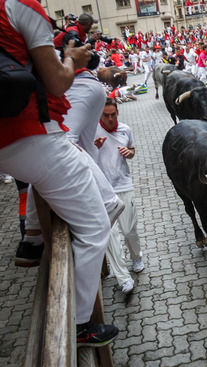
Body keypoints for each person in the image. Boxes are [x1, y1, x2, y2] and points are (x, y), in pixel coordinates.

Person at [0, 0, 117, 346]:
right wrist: (73, 60)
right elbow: (56, 83)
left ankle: (33, 239)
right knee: (96, 227)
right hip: (31, 135)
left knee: (104, 196)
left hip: (17, 143)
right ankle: (78, 326)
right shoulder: (21, 6)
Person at [94, 99, 143, 294]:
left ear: (118, 112)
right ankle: (123, 278)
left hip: (124, 184)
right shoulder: (91, 132)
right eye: (106, 115)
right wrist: (94, 147)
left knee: (129, 229)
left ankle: (137, 256)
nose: (110, 119)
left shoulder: (125, 129)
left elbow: (132, 150)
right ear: (99, 115)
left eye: (113, 114)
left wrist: (128, 153)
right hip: (102, 190)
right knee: (111, 235)